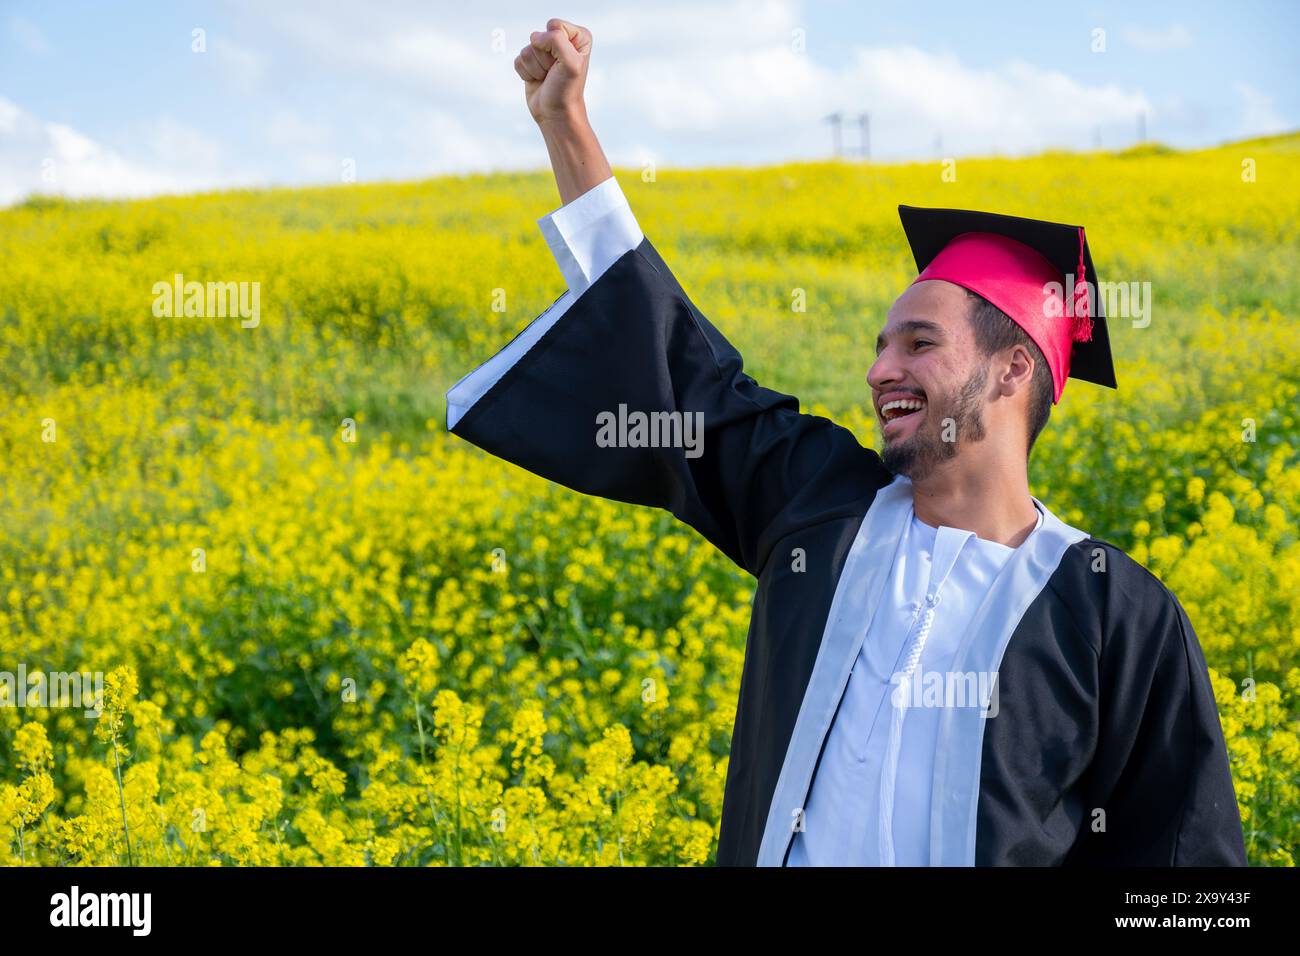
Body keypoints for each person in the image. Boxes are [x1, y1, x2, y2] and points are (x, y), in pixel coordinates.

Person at [446, 18, 1249, 866]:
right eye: (878, 346)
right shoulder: (820, 508)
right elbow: (678, 369)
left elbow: (1183, 868)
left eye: (918, 344)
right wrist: (565, 124)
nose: (879, 371)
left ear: (1015, 370)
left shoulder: (1116, 611)